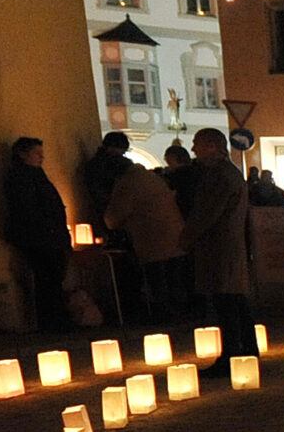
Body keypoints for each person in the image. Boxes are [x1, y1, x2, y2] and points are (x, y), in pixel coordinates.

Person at [182, 128, 258, 371]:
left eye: (197, 144)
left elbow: (207, 213)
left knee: (227, 303)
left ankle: (232, 357)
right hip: (228, 247)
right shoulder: (229, 174)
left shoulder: (219, 176)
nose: (193, 150)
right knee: (236, 302)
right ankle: (245, 352)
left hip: (220, 248)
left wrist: (186, 238)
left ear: (212, 146)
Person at [3, 137, 73, 334]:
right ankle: (52, 322)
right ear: (22, 154)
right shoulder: (21, 177)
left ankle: (56, 320)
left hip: (48, 235)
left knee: (53, 278)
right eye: (37, 153)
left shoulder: (33, 175)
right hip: (40, 237)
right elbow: (28, 209)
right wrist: (49, 229)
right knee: (47, 279)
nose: (41, 157)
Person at [104, 156, 186, 324]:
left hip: (151, 237)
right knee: (173, 279)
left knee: (157, 279)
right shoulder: (151, 177)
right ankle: (180, 314)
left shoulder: (128, 183)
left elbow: (114, 217)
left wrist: (108, 222)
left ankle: (163, 317)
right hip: (175, 235)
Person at [82, 130, 140, 319]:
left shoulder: (94, 166)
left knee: (119, 269)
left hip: (107, 222)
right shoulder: (119, 167)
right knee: (129, 268)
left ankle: (123, 308)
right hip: (123, 222)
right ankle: (132, 307)